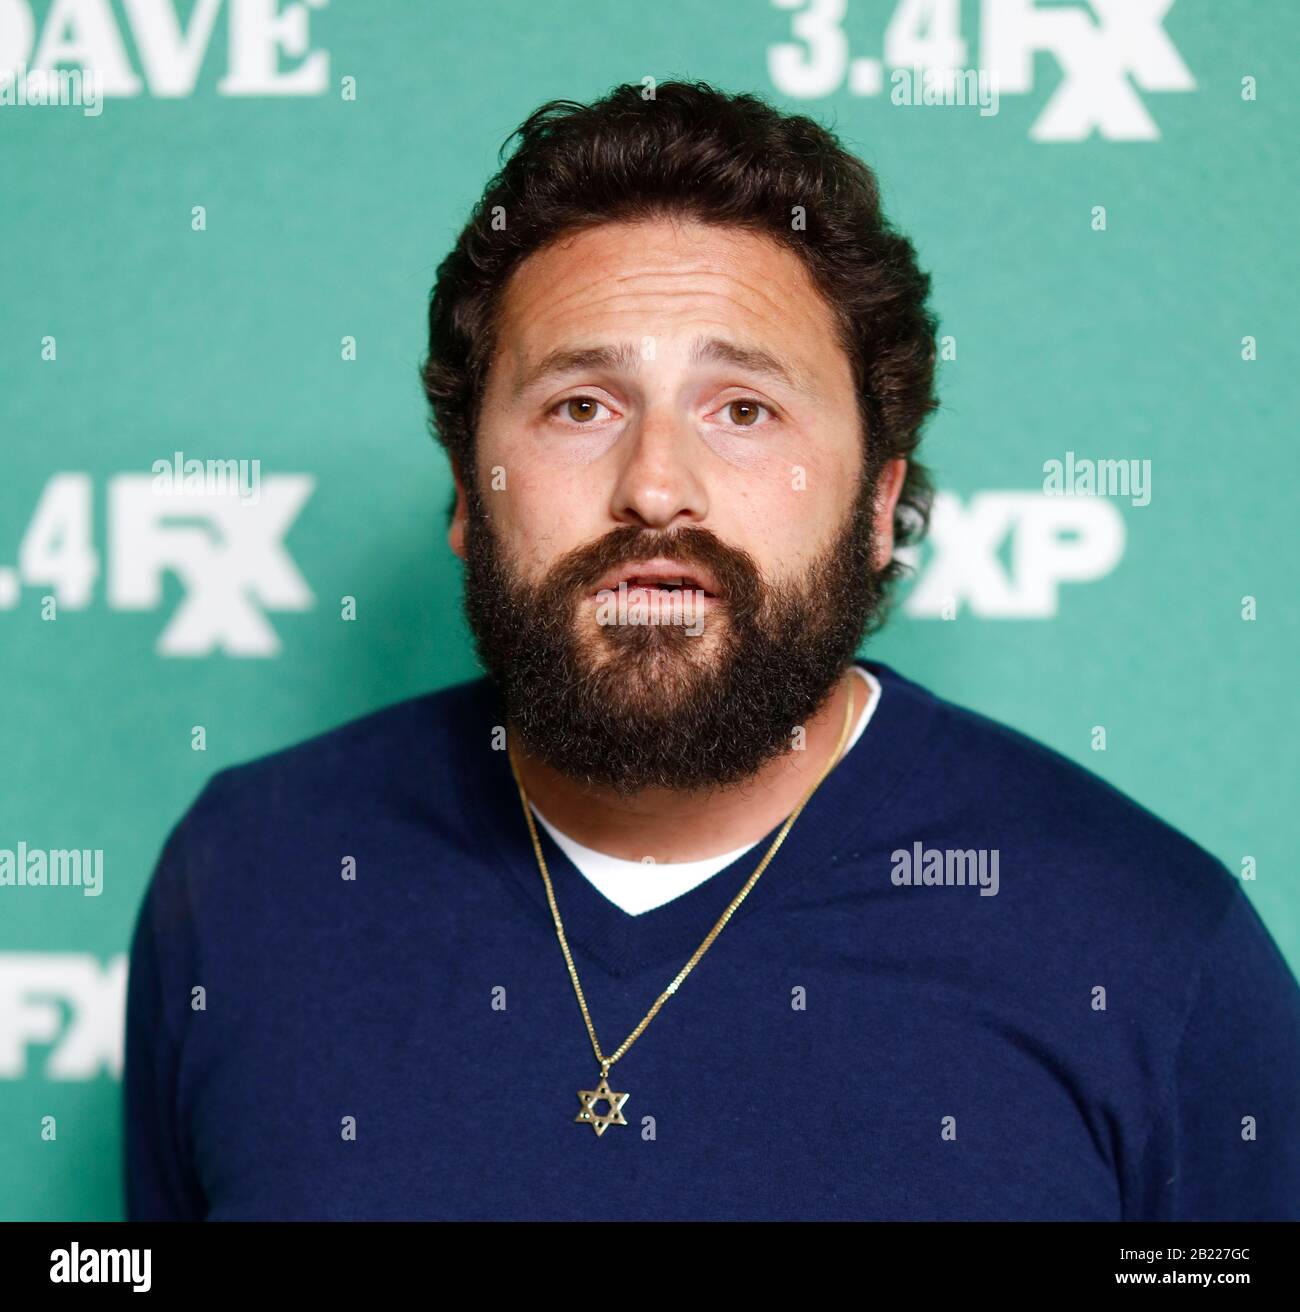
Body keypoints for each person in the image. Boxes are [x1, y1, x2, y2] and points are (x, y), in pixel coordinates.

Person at [124, 81, 1300, 1221]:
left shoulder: (1148, 947)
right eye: (579, 405)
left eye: (744, 410)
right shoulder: (247, 881)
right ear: (468, 495)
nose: (654, 488)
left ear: (880, 503)